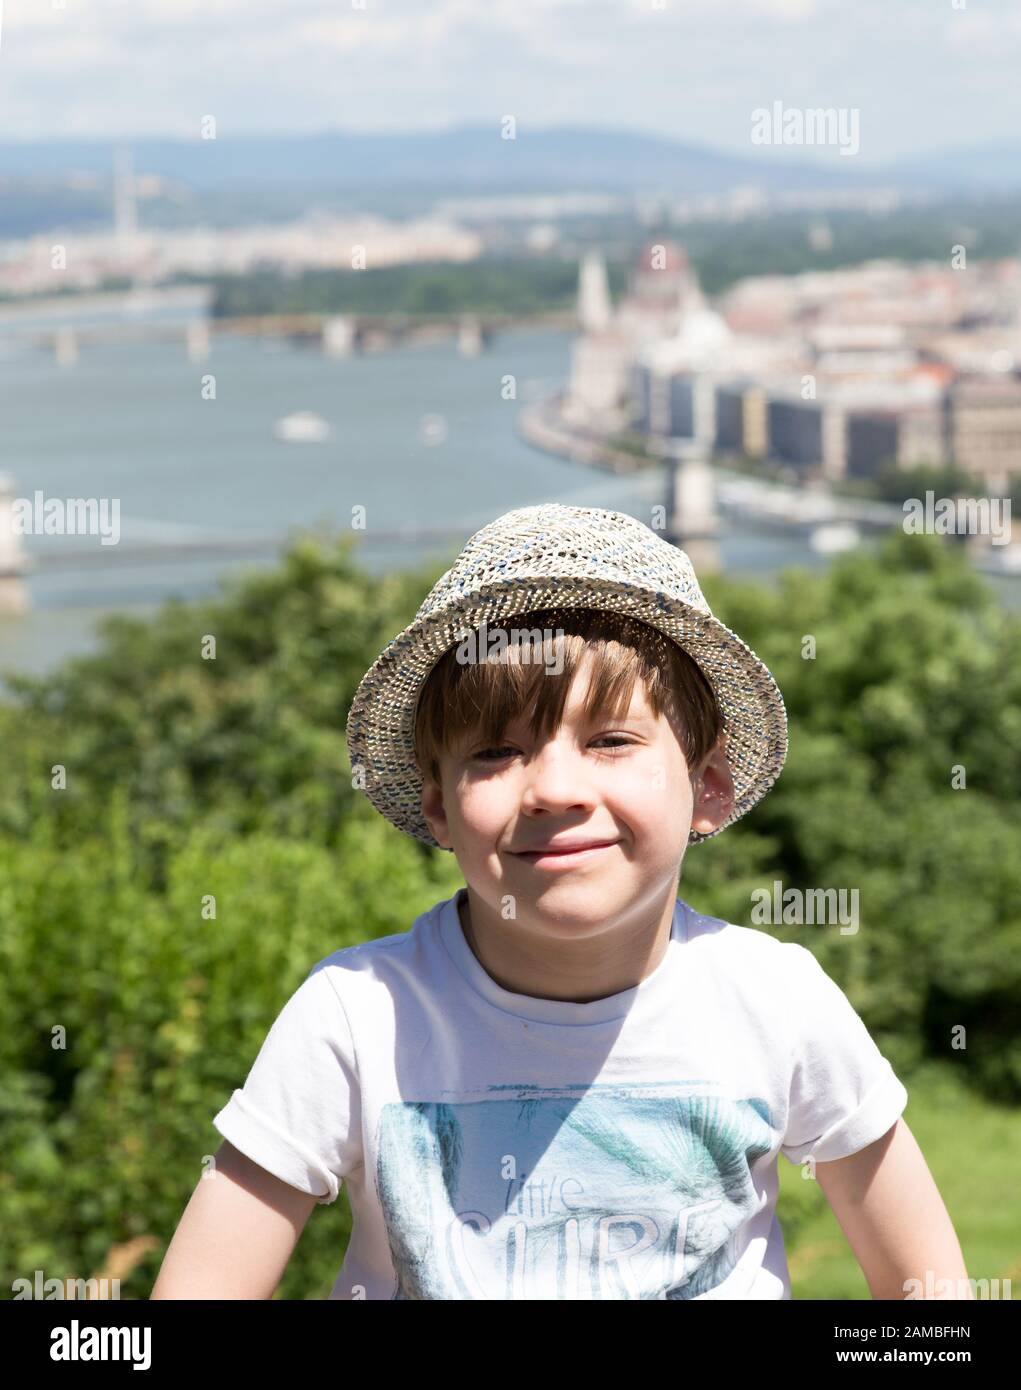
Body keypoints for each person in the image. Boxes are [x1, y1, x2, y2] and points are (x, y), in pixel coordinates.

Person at [151, 502, 971, 1300]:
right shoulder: (358, 1018)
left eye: (611, 740)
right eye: (495, 752)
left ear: (707, 785)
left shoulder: (773, 1003)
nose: (552, 789)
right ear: (439, 806)